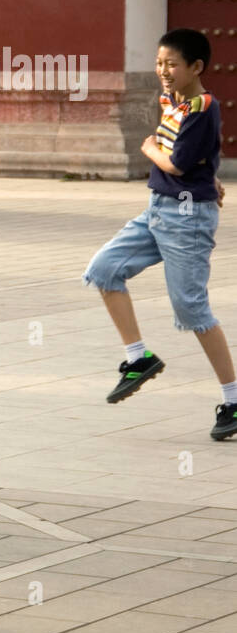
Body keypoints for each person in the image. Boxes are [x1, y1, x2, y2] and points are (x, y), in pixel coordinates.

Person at [83, 28, 235, 439]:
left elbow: (178, 163)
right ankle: (139, 358)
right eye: (159, 63)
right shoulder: (174, 100)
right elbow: (205, 155)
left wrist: (148, 148)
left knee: (192, 310)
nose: (163, 71)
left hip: (187, 220)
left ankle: (234, 400)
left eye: (172, 64)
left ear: (196, 67)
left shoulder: (203, 106)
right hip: (158, 211)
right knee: (103, 269)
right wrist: (212, 179)